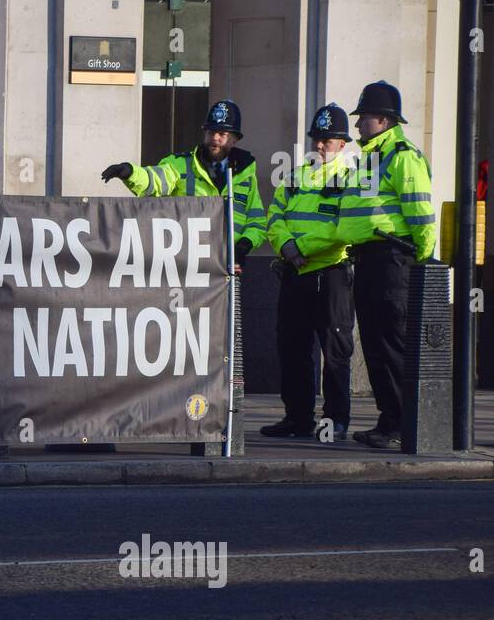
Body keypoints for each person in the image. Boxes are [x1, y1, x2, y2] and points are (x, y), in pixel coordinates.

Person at [338, 81, 437, 449]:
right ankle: (389, 418)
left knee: (392, 344)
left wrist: (422, 261)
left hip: (393, 260)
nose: (359, 124)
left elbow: (421, 214)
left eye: (363, 117)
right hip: (369, 260)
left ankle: (400, 421)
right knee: (377, 346)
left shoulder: (402, 156)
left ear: (382, 119)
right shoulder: (372, 158)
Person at [261, 103, 356, 441]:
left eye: (327, 141)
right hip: (294, 273)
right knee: (292, 348)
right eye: (316, 139)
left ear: (342, 144)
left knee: (335, 352)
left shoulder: (353, 178)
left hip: (330, 274)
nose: (319, 145)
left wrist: (303, 249)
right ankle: (297, 418)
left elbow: (345, 227)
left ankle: (335, 421)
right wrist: (286, 247)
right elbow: (274, 216)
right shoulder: (294, 175)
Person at [99, 100, 267, 268]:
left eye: (222, 133)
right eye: (210, 132)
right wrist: (130, 172)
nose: (215, 138)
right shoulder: (181, 164)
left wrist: (243, 247)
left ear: (234, 139)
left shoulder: (246, 173)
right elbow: (155, 180)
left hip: (226, 269)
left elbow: (256, 222)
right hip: (186, 267)